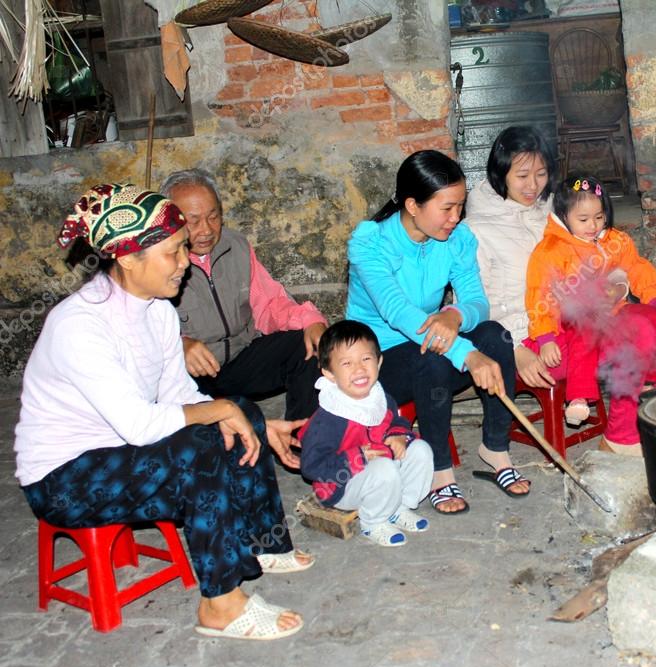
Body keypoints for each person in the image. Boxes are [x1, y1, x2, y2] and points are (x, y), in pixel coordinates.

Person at [15, 183, 313, 641]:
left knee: (241, 412)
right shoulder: (79, 325)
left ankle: (264, 544)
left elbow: (177, 392)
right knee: (201, 443)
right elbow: (138, 423)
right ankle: (221, 604)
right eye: (174, 253)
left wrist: (250, 419)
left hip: (121, 453)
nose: (185, 263)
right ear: (128, 258)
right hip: (64, 480)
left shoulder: (157, 310)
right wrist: (216, 412)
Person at [345, 150, 524, 514]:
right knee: (433, 361)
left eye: (460, 206)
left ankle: (495, 447)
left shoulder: (456, 239)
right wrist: (466, 353)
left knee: (494, 335)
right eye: (447, 208)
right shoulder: (371, 244)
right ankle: (439, 472)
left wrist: (454, 316)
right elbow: (398, 313)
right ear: (413, 204)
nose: (455, 218)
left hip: (432, 341)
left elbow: (477, 301)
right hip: (380, 359)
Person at [159, 169, 327, 421]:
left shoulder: (235, 245)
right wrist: (177, 344)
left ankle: (305, 443)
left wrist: (311, 321)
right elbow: (140, 329)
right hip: (187, 374)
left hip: (240, 358)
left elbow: (269, 304)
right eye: (193, 221)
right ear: (171, 221)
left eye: (213, 216)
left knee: (305, 345)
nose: (206, 229)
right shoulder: (157, 259)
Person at [524, 176, 656, 455]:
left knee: (651, 319)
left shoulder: (616, 241)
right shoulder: (550, 251)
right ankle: (580, 398)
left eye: (599, 217)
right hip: (576, 322)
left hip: (615, 315)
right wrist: (545, 337)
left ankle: (650, 381)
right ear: (563, 217)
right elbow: (539, 296)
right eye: (583, 219)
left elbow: (638, 269)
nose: (593, 226)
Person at [299, 320, 433, 547]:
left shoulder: (379, 397)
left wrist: (399, 435)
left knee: (421, 450)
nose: (359, 369)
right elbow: (311, 466)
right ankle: (373, 521)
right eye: (347, 363)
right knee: (383, 468)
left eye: (366, 359)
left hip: (381, 472)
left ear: (379, 362)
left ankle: (400, 507)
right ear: (329, 373)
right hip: (341, 486)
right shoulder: (329, 417)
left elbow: (396, 419)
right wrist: (356, 458)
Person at [465, 125, 559, 389]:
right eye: (522, 176)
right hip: (517, 340)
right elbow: (474, 307)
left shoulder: (555, 211)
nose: (533, 186)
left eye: (541, 174)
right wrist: (515, 349)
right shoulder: (477, 229)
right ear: (501, 173)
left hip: (558, 328)